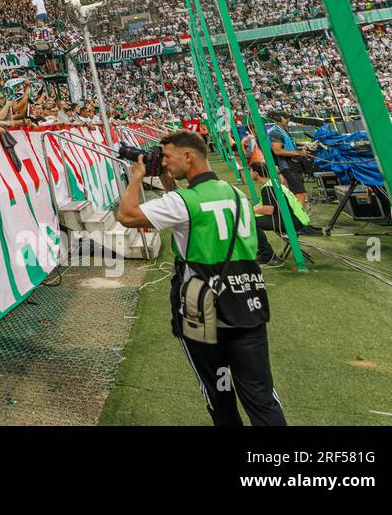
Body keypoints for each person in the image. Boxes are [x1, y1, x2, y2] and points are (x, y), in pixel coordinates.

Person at [116, 130, 285, 426]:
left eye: (167, 157)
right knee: (261, 398)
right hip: (246, 305)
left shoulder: (184, 202)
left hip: (203, 315)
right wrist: (169, 182)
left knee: (219, 396)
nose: (164, 163)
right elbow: (186, 211)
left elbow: (127, 215)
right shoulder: (237, 194)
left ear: (188, 156)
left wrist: (137, 175)